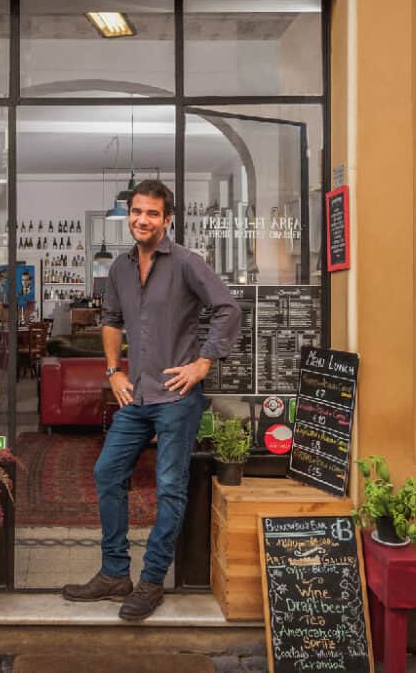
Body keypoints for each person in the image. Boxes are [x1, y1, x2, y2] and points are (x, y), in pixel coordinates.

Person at [61, 180, 242, 621]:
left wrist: (202, 364)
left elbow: (228, 309)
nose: (143, 219)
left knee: (170, 488)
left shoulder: (186, 264)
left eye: (153, 214)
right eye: (137, 211)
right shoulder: (120, 269)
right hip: (137, 395)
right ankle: (114, 572)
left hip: (177, 397)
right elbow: (111, 320)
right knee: (107, 472)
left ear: (167, 219)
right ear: (129, 214)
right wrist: (112, 370)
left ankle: (151, 580)